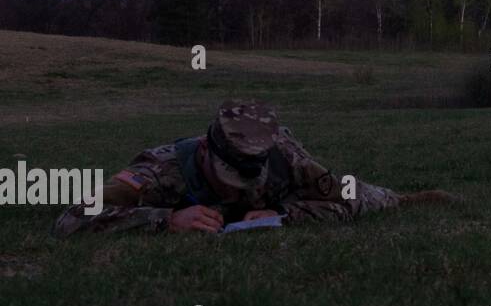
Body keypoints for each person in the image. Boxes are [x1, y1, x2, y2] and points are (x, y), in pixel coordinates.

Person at [54, 100, 454, 235]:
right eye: (228, 179)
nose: (237, 190)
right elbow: (71, 219)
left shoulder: (284, 155)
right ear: (206, 152)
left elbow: (353, 198)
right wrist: (166, 220)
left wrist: (283, 214)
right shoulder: (160, 170)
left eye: (248, 181)